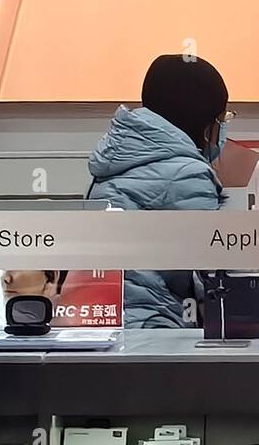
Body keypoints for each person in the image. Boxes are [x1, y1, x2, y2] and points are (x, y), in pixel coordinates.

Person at [88, 55, 229, 327]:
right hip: (156, 326)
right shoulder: (187, 173)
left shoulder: (115, 160)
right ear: (203, 117)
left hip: (106, 320)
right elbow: (208, 278)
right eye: (222, 118)